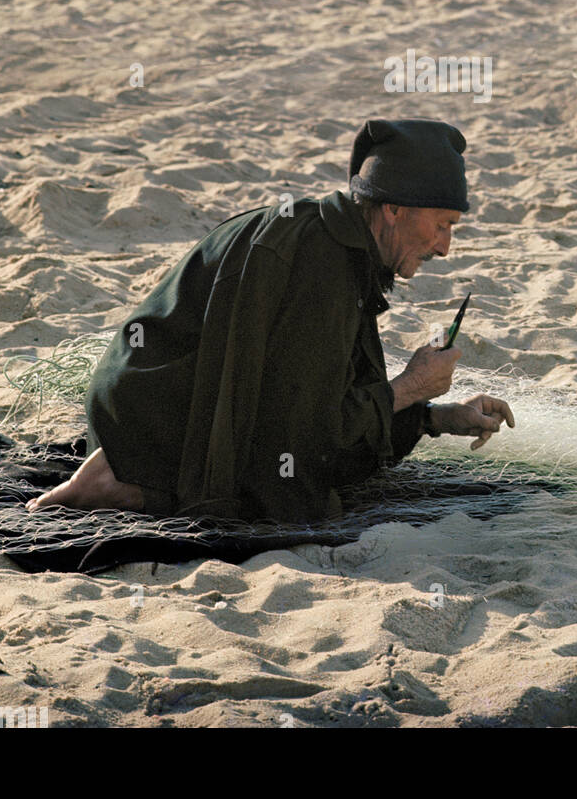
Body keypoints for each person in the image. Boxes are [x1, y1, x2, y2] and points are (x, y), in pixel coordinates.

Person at [28, 119, 513, 521]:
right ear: (393, 209)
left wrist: (438, 417)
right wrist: (412, 387)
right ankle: (126, 482)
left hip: (145, 404)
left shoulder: (335, 243)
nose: (445, 246)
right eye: (442, 225)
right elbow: (309, 432)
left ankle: (128, 472)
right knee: (282, 498)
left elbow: (325, 400)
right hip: (151, 415)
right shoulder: (320, 265)